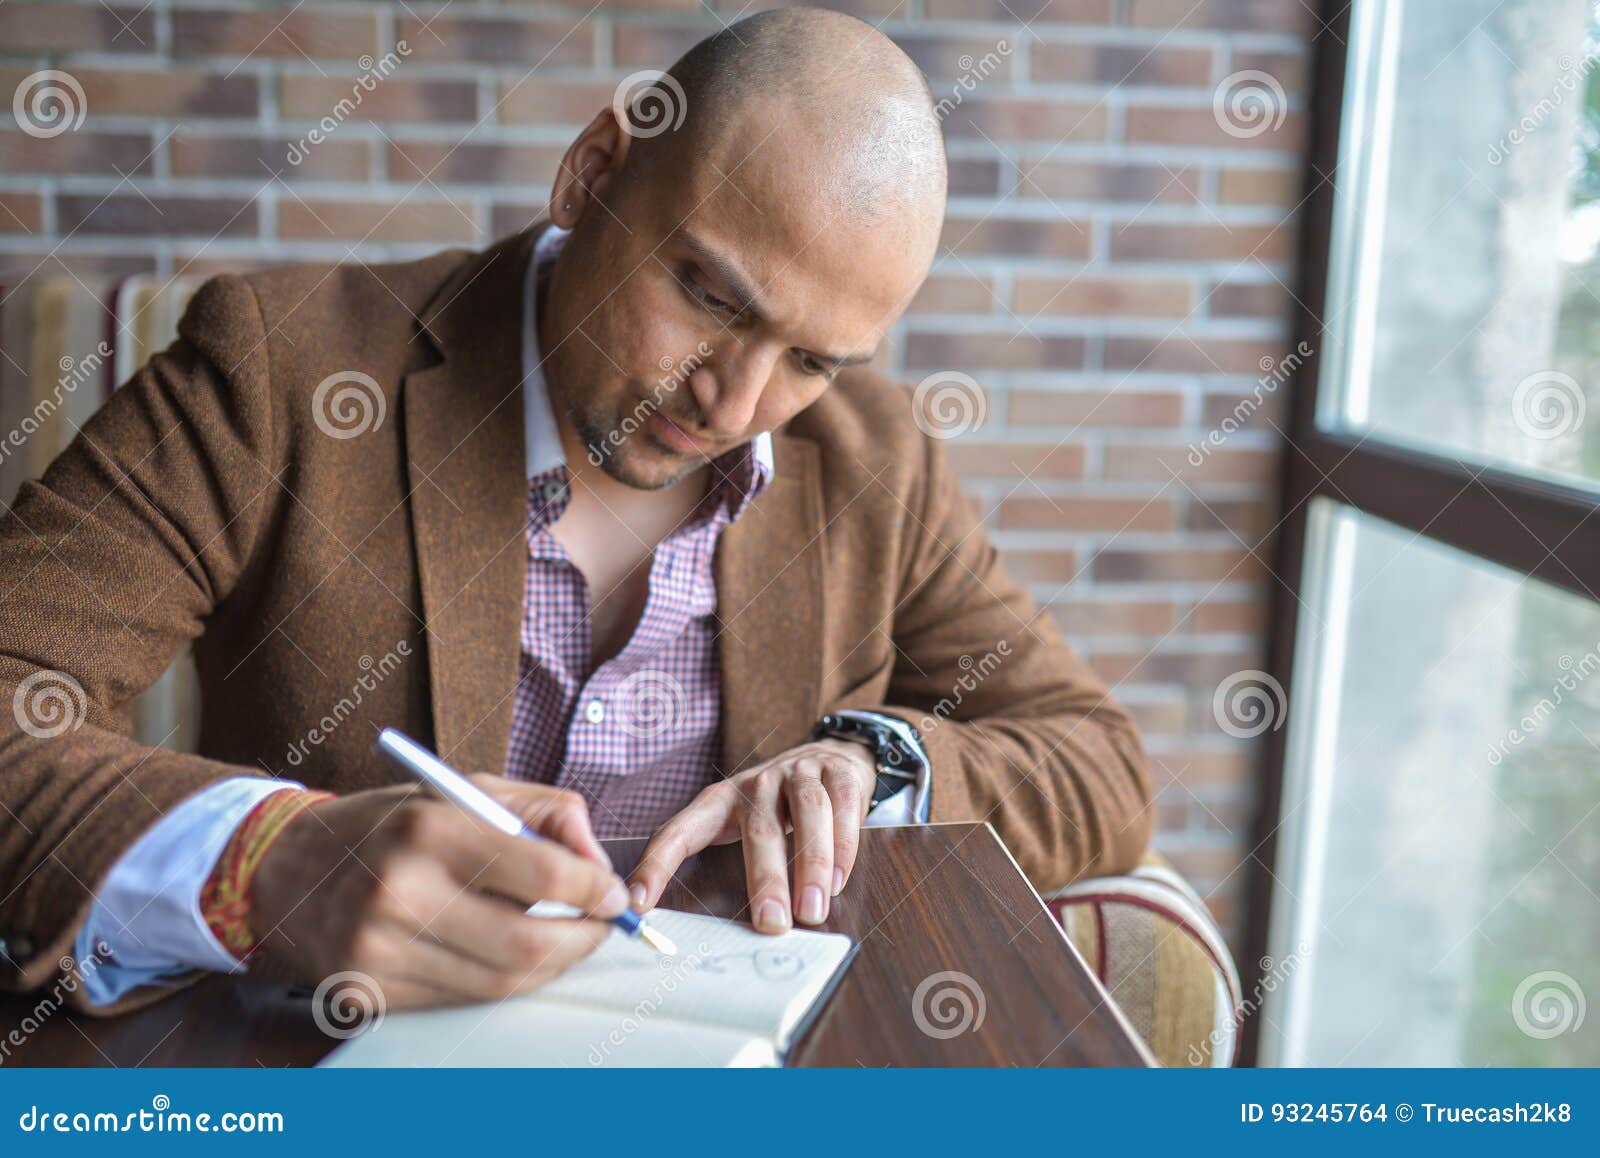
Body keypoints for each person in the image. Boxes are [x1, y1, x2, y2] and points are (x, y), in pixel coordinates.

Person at [0, 7, 1151, 1015]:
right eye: (707, 295)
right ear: (594, 170)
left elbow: (1098, 763)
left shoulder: (874, 458)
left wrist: (876, 765)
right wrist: (274, 863)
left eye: (810, 359)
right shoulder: (286, 370)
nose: (734, 402)